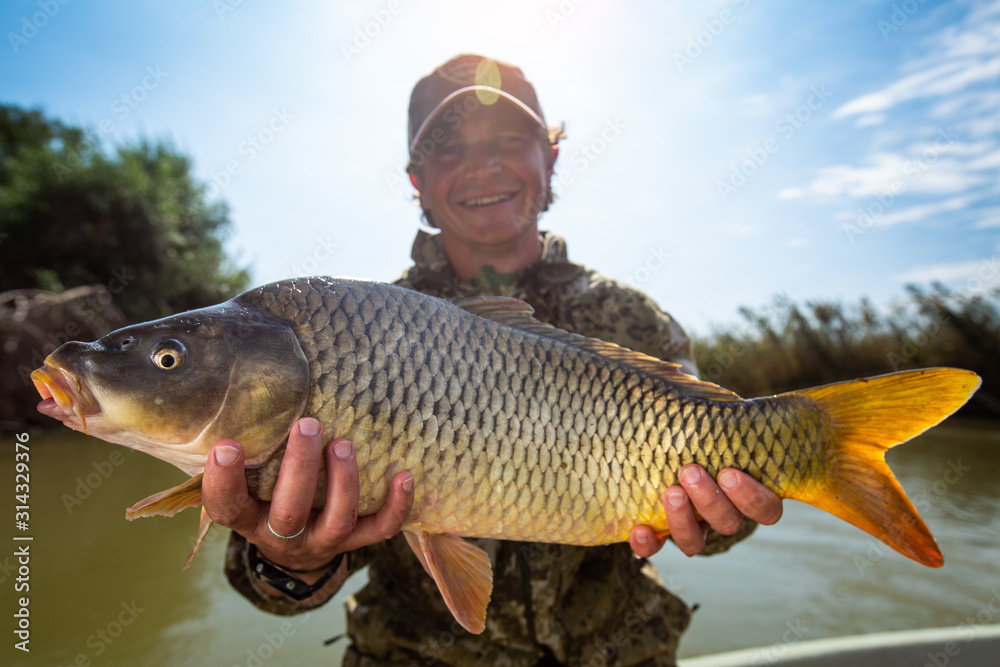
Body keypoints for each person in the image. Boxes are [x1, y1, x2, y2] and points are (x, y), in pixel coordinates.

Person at [202, 54, 784, 666]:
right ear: (416, 181)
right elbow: (270, 585)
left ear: (550, 157)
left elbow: (729, 500)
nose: (482, 166)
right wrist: (290, 555)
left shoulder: (633, 320)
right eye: (449, 150)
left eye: (508, 140)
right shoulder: (355, 337)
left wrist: (726, 514)